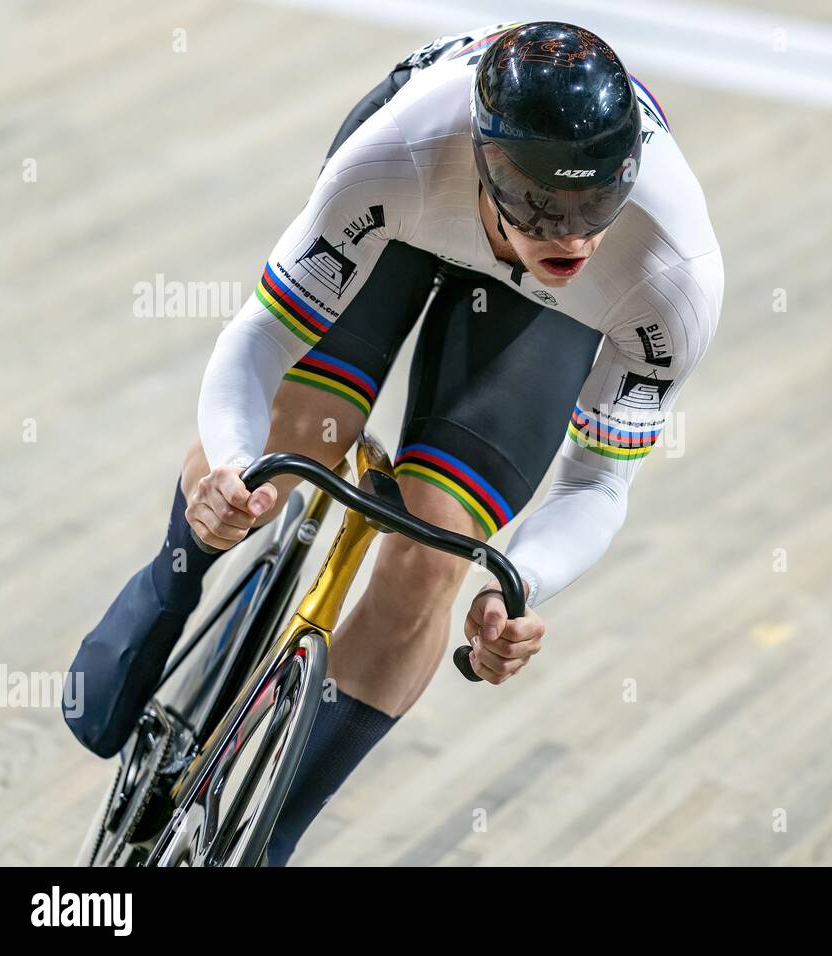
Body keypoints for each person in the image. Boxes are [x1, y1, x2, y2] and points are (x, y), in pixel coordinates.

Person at [65, 21, 723, 865]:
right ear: (488, 166)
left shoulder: (671, 277)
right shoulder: (397, 157)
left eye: (599, 204)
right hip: (413, 218)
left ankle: (270, 835)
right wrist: (228, 469)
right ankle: (171, 580)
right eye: (546, 207)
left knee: (431, 551)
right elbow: (261, 338)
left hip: (541, 305)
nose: (575, 238)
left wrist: (523, 584)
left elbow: (597, 484)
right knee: (293, 436)